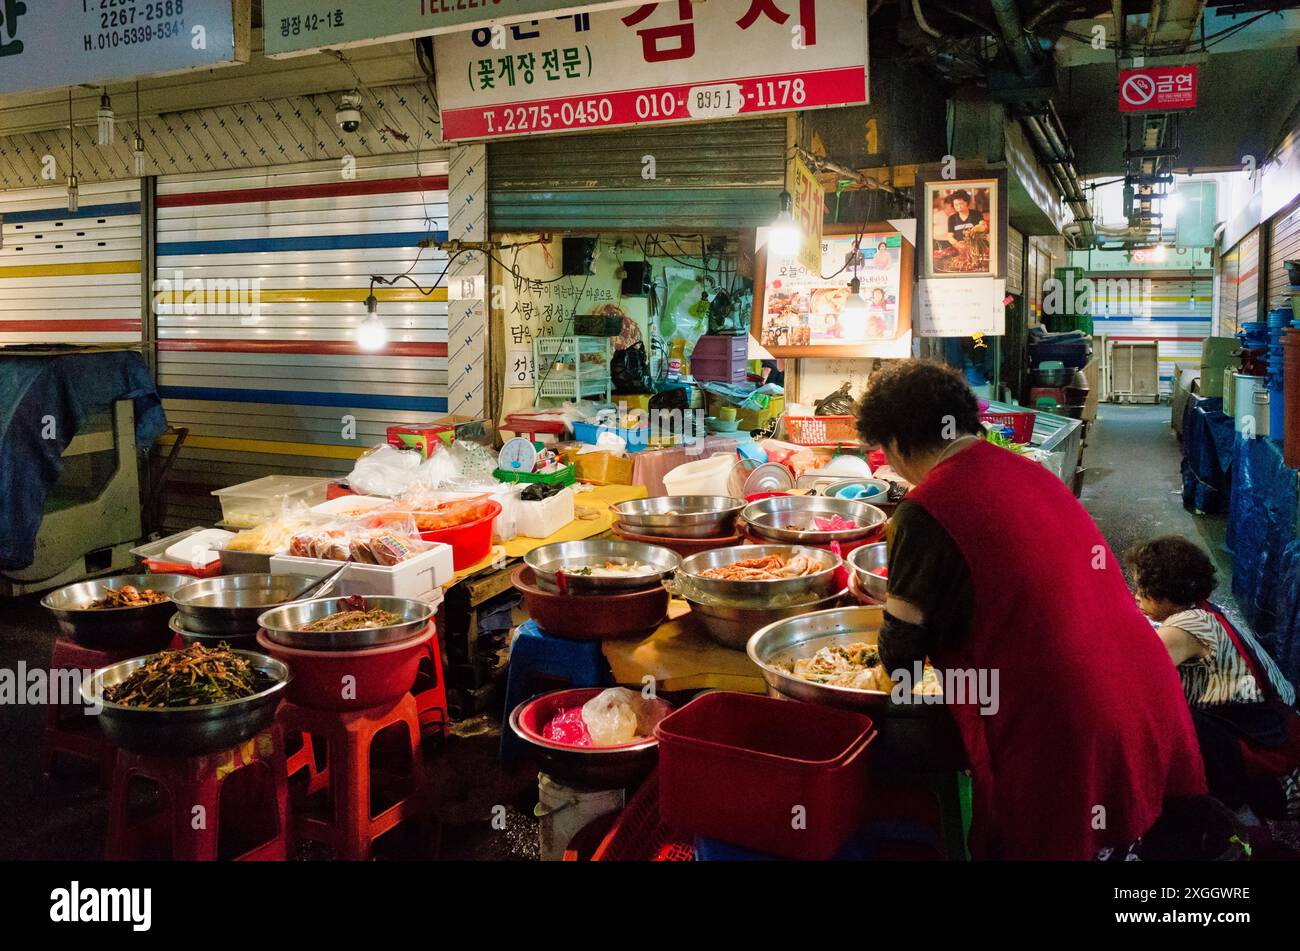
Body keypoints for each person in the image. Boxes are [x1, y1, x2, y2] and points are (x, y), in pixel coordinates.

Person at [855, 360, 1206, 860]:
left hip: (1062, 716)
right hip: (1140, 687)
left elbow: (902, 662)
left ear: (895, 441)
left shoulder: (927, 506)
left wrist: (922, 665)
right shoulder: (1029, 473)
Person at [1126, 536, 1300, 822]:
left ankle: (1236, 817)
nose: (1135, 595)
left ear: (1168, 594)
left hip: (1278, 782)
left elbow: (1131, 679)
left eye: (1143, 589)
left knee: (1159, 716)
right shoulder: (1206, 610)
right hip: (1279, 747)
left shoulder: (1187, 625)